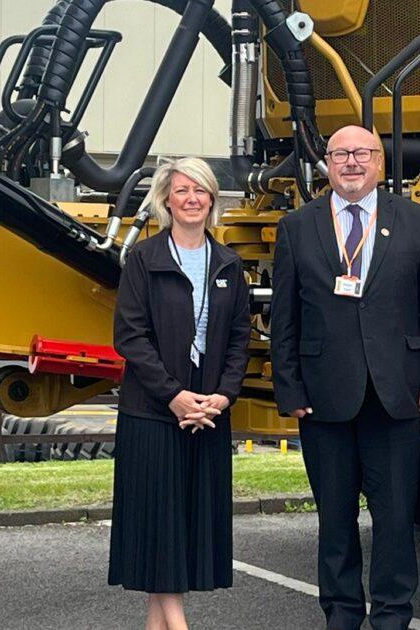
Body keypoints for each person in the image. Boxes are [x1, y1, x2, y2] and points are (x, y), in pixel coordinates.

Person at [270, 125, 420, 630]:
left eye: (363, 153)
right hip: (323, 399)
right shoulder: (296, 226)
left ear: (380, 163)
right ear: (326, 162)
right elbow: (284, 320)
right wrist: (290, 388)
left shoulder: (416, 221)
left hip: (397, 396)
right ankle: (342, 615)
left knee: (395, 520)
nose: (352, 163)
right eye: (341, 154)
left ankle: (393, 616)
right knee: (334, 520)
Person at [109, 157, 251, 630]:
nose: (192, 199)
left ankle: (160, 621)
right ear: (166, 199)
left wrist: (223, 396)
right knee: (161, 527)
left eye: (201, 190)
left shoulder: (230, 263)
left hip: (208, 414)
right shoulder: (144, 261)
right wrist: (174, 396)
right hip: (152, 414)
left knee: (183, 530)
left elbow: (238, 339)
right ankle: (180, 623)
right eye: (182, 190)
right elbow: (130, 337)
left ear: (212, 200)